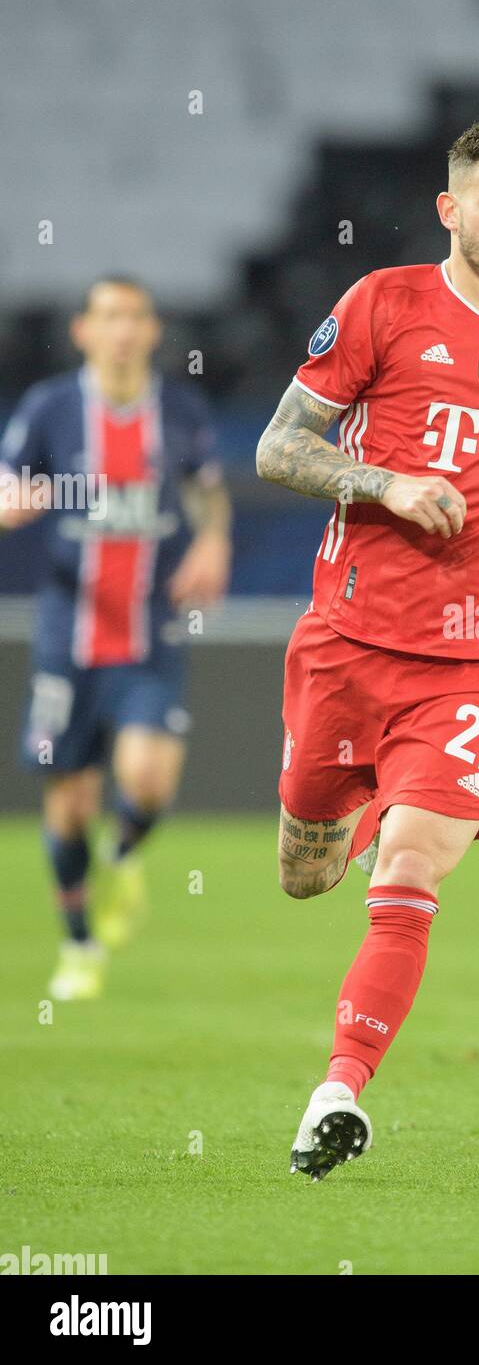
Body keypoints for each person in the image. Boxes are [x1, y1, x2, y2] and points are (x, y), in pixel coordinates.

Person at [256, 119, 479, 1180]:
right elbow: (280, 446)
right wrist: (385, 484)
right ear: (451, 210)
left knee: (410, 865)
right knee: (305, 871)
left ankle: (338, 1091)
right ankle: (375, 806)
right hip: (347, 639)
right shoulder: (383, 304)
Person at [0, 277, 232, 999]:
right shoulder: (51, 408)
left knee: (149, 778)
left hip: (149, 630)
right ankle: (78, 946)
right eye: (109, 317)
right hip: (69, 636)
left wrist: (213, 542)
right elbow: (7, 483)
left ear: (153, 330)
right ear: (84, 332)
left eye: (134, 316)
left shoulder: (181, 411)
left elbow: (206, 488)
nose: (123, 330)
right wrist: (15, 503)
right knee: (68, 800)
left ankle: (123, 853)